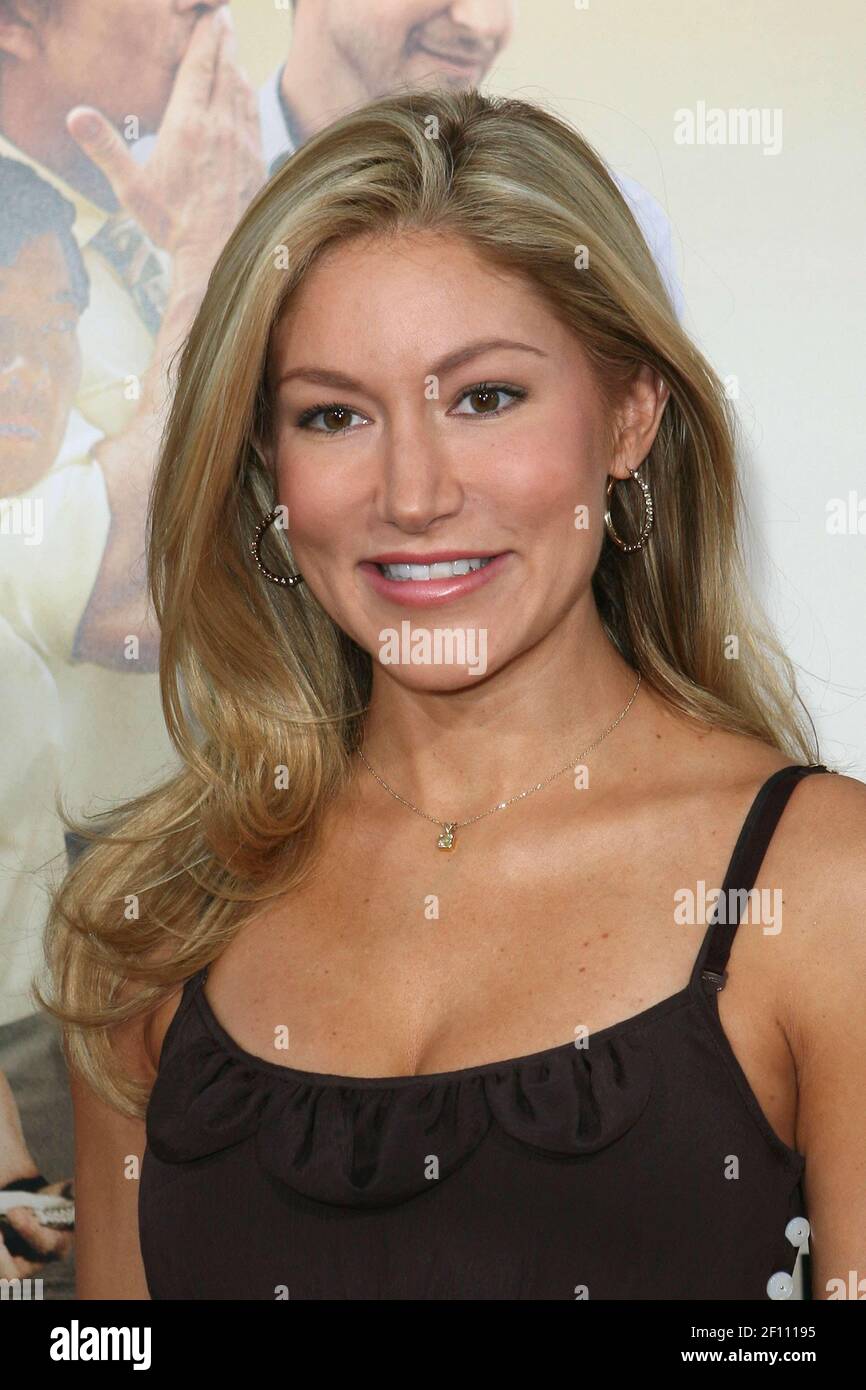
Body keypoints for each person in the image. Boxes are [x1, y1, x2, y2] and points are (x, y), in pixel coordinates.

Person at [41, 88, 865, 1301]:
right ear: (269, 468)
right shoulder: (154, 923)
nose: (412, 493)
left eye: (484, 396)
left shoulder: (821, 890)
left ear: (629, 413)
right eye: (333, 415)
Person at [260, 0, 684, 317]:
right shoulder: (202, 207)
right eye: (333, 417)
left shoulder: (616, 221)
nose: (483, 22)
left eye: (487, 398)